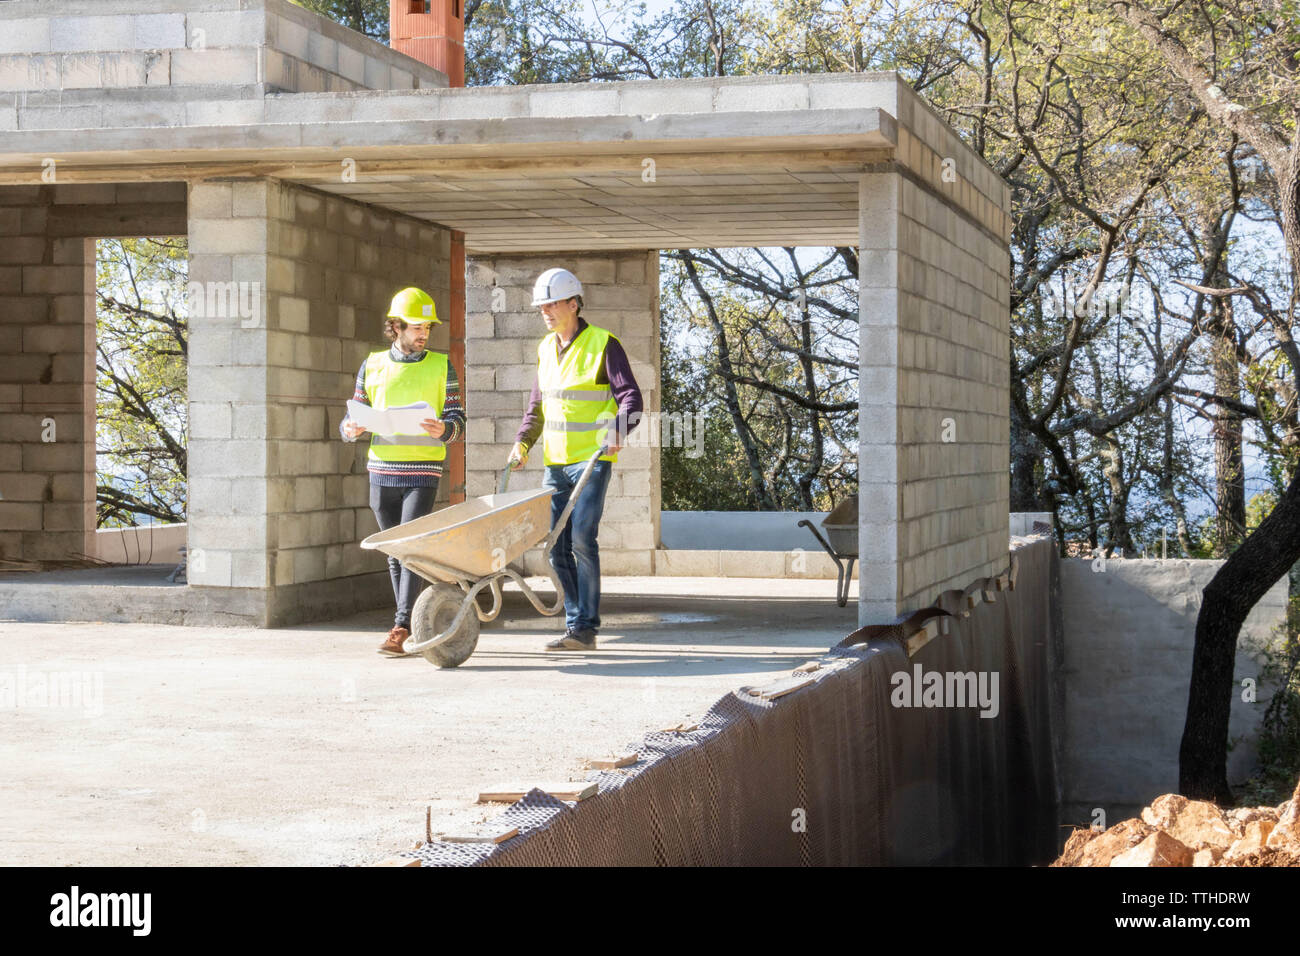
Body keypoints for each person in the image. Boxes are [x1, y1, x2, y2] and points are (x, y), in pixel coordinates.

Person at [509, 267, 642, 651]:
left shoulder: (604, 344)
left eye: (552, 304)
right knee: (555, 547)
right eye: (542, 306)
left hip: (591, 460)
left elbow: (632, 398)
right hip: (555, 463)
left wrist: (618, 431)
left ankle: (585, 628)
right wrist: (521, 443)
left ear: (573, 303)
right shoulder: (544, 349)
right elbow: (537, 409)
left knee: (583, 539)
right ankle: (575, 624)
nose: (546, 312)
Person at [340, 287, 465, 657]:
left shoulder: (442, 366)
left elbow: (457, 421)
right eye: (416, 327)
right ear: (396, 327)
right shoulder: (373, 364)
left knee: (408, 546)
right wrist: (350, 429)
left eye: (427, 327)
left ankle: (400, 626)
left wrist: (445, 429)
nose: (423, 333)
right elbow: (354, 414)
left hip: (423, 470)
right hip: (381, 470)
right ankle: (412, 623)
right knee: (395, 552)